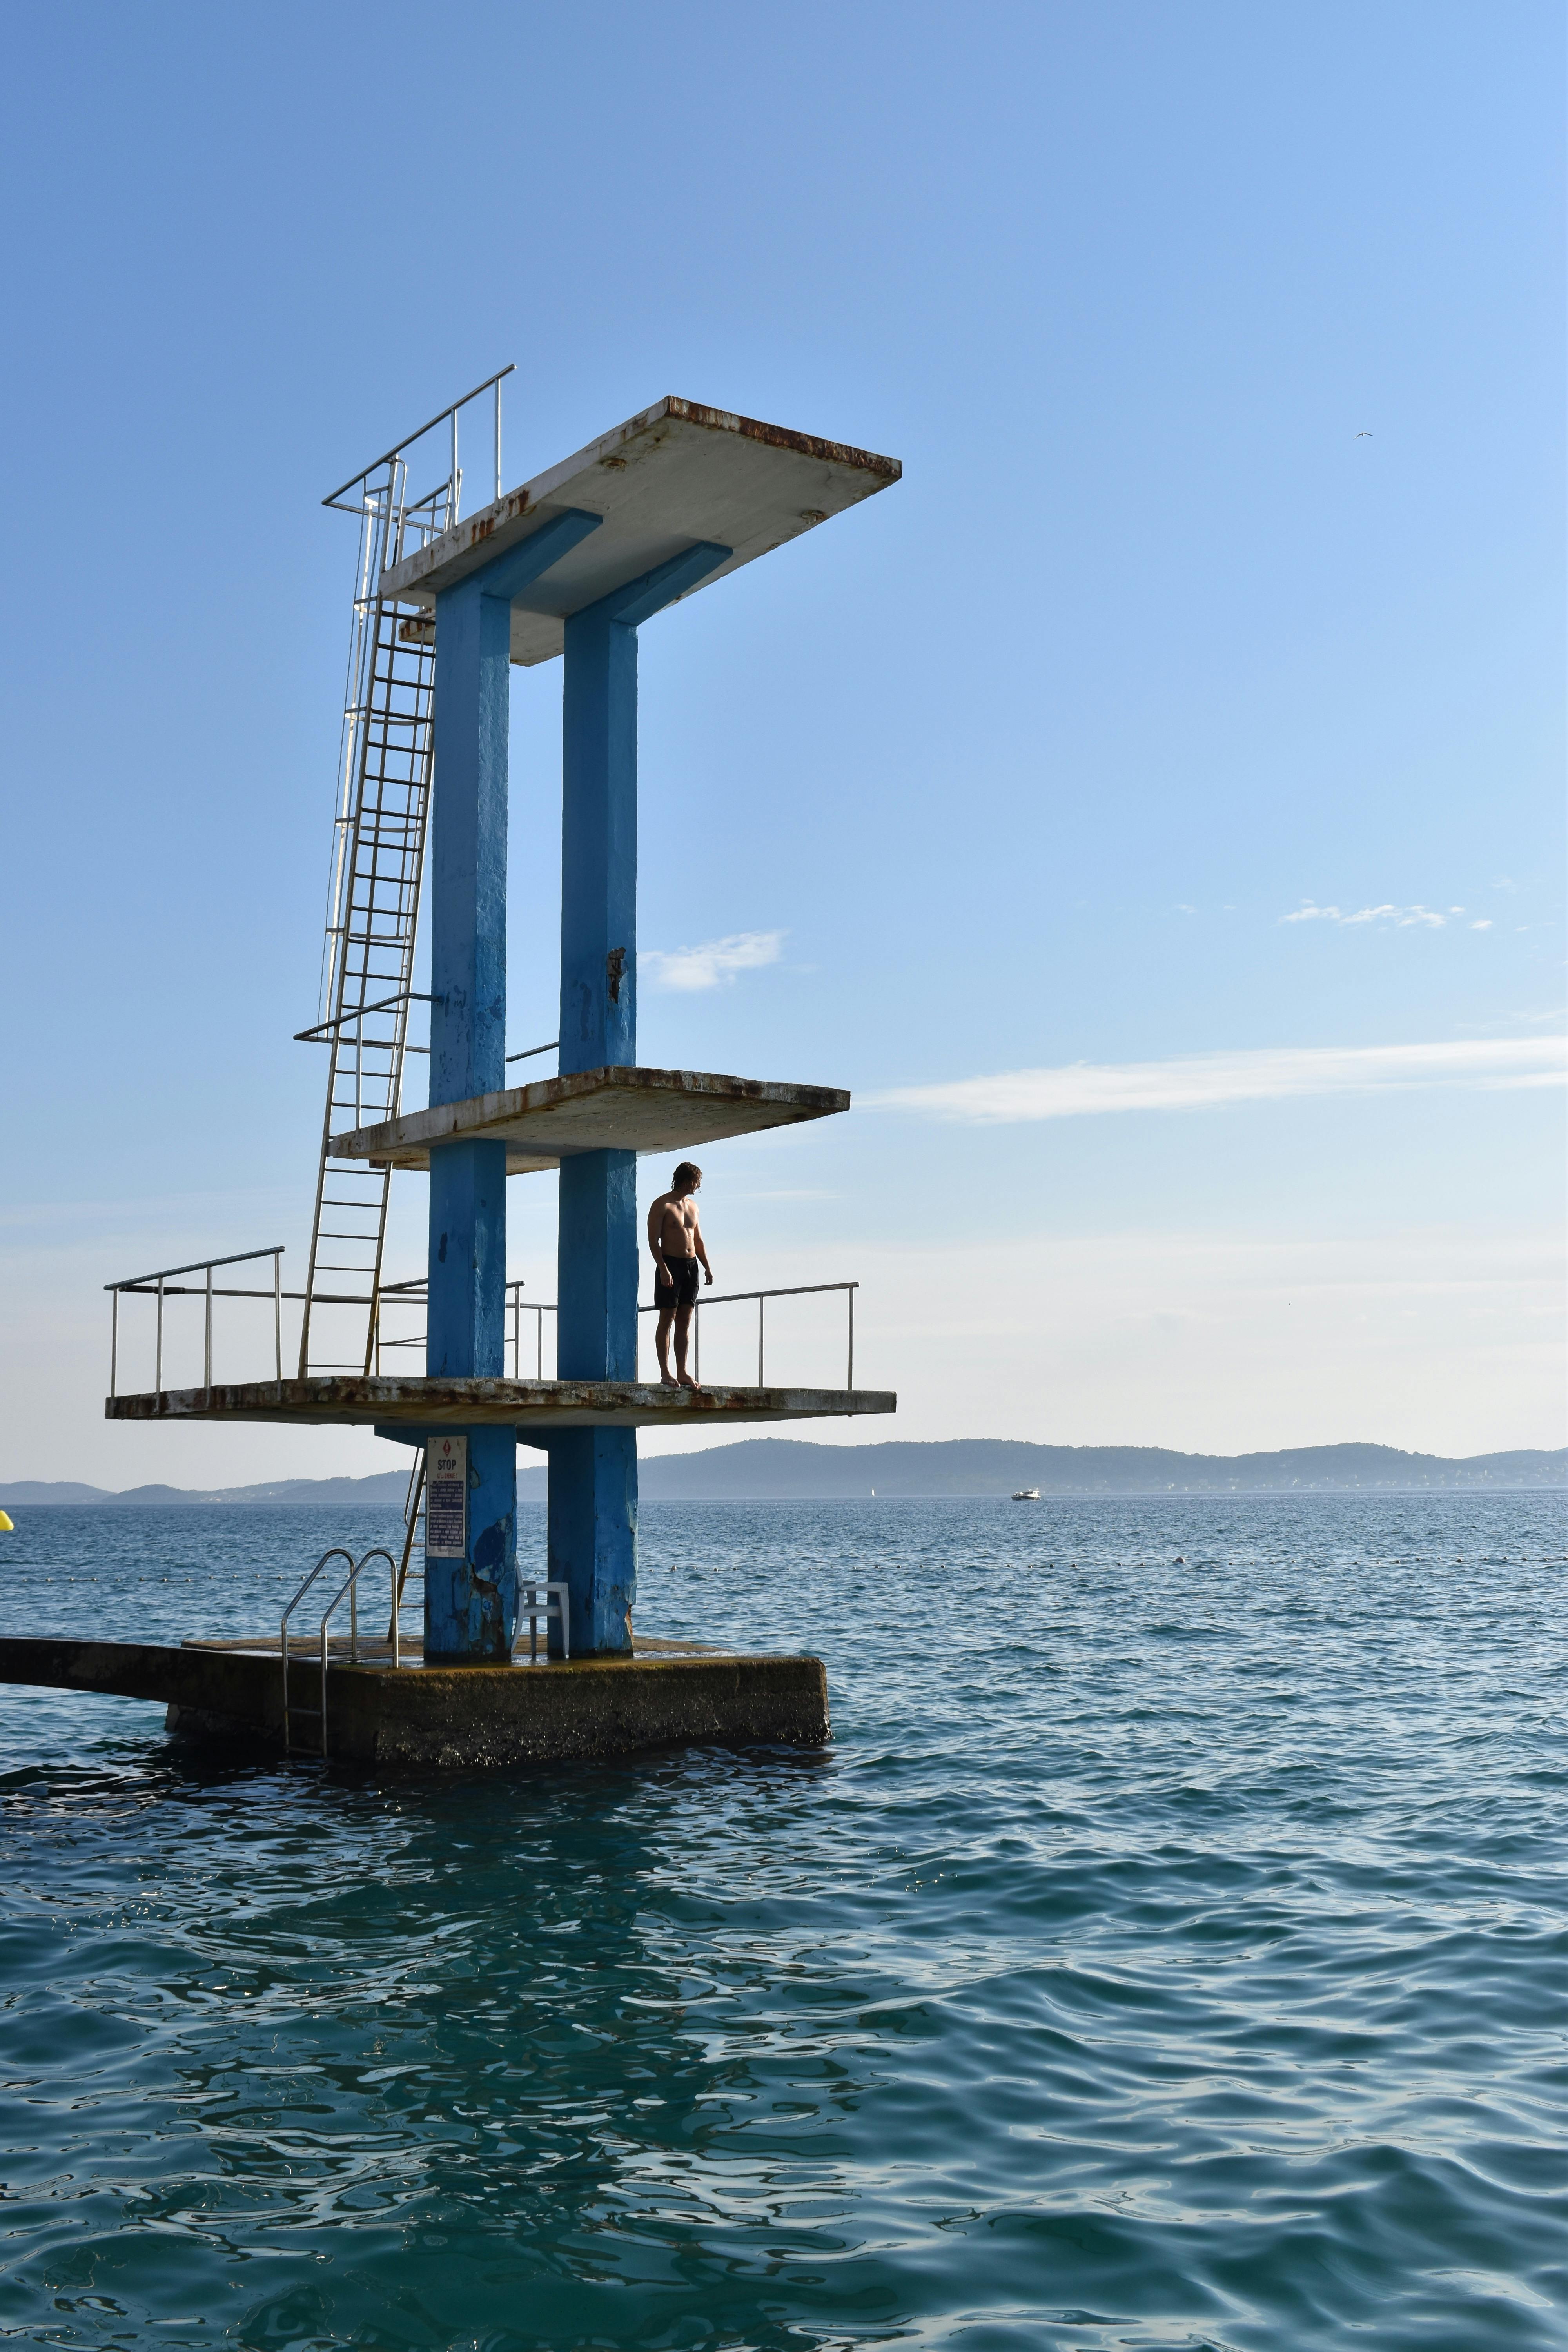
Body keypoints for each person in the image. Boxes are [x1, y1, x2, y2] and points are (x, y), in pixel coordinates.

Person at [647, 1162, 712, 1387]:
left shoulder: (693, 1206)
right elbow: (653, 1241)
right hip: (670, 1266)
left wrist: (707, 1267)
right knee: (667, 1319)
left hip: (691, 1266)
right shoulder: (662, 1205)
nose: (699, 1186)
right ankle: (666, 1373)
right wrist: (663, 1269)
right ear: (686, 1180)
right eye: (697, 1181)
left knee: (685, 1321)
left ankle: (682, 1372)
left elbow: (698, 1240)